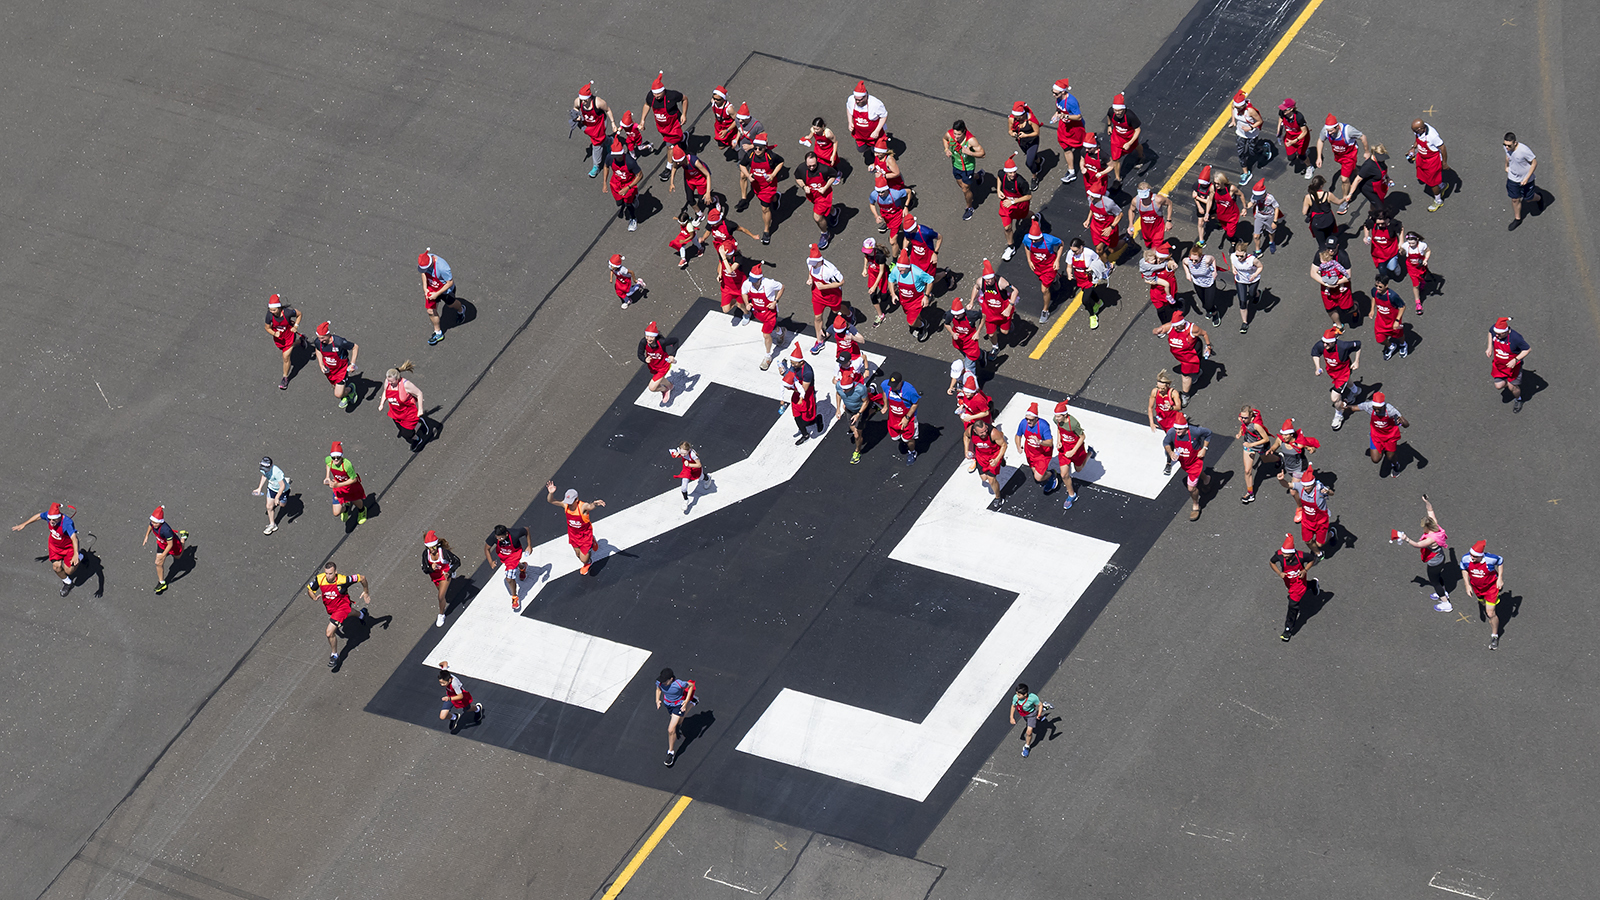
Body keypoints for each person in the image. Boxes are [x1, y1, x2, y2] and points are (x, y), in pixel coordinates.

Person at [307, 561, 371, 668]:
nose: (328, 576)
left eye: (330, 573)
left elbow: (362, 578)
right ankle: (361, 615)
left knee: (329, 632)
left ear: (335, 572)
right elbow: (310, 589)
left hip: (342, 607)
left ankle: (335, 655)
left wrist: (366, 591)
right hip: (332, 607)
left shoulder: (343, 580)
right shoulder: (320, 579)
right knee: (348, 613)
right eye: (326, 573)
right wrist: (313, 597)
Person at [1396, 495, 1451, 610]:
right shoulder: (1436, 526)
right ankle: (1443, 592)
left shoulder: (1430, 539)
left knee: (1434, 581)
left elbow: (1417, 545)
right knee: (1438, 576)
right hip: (1440, 558)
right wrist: (1426, 502)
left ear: (1427, 527)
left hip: (1434, 563)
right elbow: (1430, 510)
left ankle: (1446, 603)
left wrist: (1406, 539)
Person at [13, 503, 82, 596]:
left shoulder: (67, 523)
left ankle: (81, 556)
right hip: (55, 546)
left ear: (59, 517)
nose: (51, 521)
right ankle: (68, 583)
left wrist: (76, 554)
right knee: (56, 567)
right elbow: (38, 516)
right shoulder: (50, 516)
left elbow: (74, 538)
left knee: (68, 571)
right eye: (49, 519)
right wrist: (24, 524)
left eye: (54, 520)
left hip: (68, 548)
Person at [1153, 311, 1212, 403]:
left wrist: (1208, 346)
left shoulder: (1192, 329)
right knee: (1189, 371)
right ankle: (1197, 372)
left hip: (1190, 355)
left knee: (1185, 376)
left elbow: (1204, 333)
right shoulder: (1170, 326)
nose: (1175, 328)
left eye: (1177, 326)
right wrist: (1157, 331)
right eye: (1174, 326)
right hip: (1180, 355)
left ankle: (1185, 395)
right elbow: (1158, 330)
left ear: (1183, 323)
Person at [547, 482, 605, 575]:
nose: (569, 504)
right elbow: (551, 501)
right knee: (577, 554)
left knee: (584, 559)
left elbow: (590, 506)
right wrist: (551, 493)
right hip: (573, 535)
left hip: (585, 535)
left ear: (577, 499)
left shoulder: (582, 507)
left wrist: (595, 503)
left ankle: (588, 560)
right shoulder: (565, 505)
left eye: (571, 502)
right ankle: (590, 548)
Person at [1349, 389, 1410, 477]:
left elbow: (1406, 425)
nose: (1377, 411)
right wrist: (1345, 407)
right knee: (1375, 459)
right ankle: (1384, 450)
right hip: (1376, 436)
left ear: (1383, 406)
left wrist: (1402, 422)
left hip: (1390, 437)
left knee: (1390, 457)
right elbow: (1354, 408)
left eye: (1379, 409)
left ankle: (1395, 464)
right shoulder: (1369, 406)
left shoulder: (1390, 410)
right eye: (1375, 409)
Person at [1269, 533, 1318, 641]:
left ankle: (1288, 629)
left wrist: (1305, 570)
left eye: (1286, 554)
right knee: (1301, 590)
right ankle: (1313, 584)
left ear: (1292, 553)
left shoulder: (1301, 556)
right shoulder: (1279, 555)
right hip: (1289, 582)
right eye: (1283, 554)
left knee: (1293, 606)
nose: (1284, 556)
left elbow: (1312, 559)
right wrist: (1279, 573)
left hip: (1299, 583)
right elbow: (1272, 562)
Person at [1162, 414, 1212, 521]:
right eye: (1176, 429)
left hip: (1196, 461)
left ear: (1186, 427)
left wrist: (1204, 448)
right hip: (1184, 461)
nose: (1177, 431)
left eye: (1180, 429)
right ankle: (1206, 479)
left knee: (1191, 487)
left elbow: (1208, 433)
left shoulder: (1195, 431)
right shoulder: (1172, 432)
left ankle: (1196, 505)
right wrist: (1171, 453)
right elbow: (1166, 443)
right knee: (1190, 473)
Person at [1311, 326, 1362, 429]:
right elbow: (1315, 353)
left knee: (1334, 398)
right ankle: (1356, 390)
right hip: (1333, 372)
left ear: (1333, 342)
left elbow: (1358, 345)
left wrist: (1357, 361)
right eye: (1324, 342)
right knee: (1347, 383)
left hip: (1343, 372)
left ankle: (1339, 415)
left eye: (1327, 343)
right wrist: (1318, 367)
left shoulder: (1343, 346)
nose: (1324, 345)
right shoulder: (1322, 345)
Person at [1461, 540, 1507, 650]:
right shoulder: (1466, 559)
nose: (1471, 558)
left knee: (1490, 613)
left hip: (1491, 588)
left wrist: (1500, 578)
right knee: (1482, 602)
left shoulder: (1490, 559)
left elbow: (1500, 561)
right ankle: (1483, 603)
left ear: (1481, 556)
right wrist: (1467, 585)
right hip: (1477, 588)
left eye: (1475, 557)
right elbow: (1464, 569)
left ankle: (1494, 635)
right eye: (1471, 555)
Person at [378, 361, 433, 451]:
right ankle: (418, 429)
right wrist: (381, 403)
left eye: (392, 382)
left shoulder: (406, 385)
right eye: (388, 381)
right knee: (401, 429)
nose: (390, 383)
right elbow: (385, 391)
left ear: (398, 379)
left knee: (407, 434)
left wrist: (420, 409)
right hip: (395, 412)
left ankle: (419, 438)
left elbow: (419, 393)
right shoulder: (388, 382)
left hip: (408, 412)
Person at [742, 133, 785, 244]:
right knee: (769, 201)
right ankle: (776, 197)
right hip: (757, 185)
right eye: (755, 147)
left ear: (765, 147)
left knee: (764, 208)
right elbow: (742, 165)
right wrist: (748, 176)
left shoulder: (771, 156)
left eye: (759, 148)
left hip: (768, 187)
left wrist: (773, 175)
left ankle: (766, 230)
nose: (757, 150)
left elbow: (781, 162)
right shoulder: (750, 155)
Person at [742, 264, 787, 370]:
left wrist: (775, 301)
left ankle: (768, 356)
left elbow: (782, 287)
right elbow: (744, 292)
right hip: (758, 312)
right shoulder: (747, 283)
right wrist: (747, 303)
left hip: (770, 313)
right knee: (772, 328)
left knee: (766, 334)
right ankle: (781, 332)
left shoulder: (769, 283)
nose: (753, 283)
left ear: (761, 278)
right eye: (751, 280)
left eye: (755, 280)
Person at [417, 250, 467, 345]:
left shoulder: (442, 267)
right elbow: (423, 273)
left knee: (451, 305)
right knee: (430, 310)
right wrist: (425, 288)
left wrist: (437, 294)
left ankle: (461, 309)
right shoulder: (424, 261)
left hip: (445, 290)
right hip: (431, 288)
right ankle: (438, 333)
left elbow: (450, 283)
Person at [803, 245, 846, 353]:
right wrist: (810, 279)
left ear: (819, 261)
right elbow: (810, 271)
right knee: (817, 317)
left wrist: (824, 287)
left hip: (832, 294)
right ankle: (819, 340)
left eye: (814, 263)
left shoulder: (830, 270)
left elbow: (841, 282)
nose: (811, 264)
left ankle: (849, 313)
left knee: (836, 310)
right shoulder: (810, 262)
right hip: (817, 294)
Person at [970, 260, 1017, 360]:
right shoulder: (980, 281)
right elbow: (976, 287)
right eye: (987, 280)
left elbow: (1015, 291)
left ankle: (1009, 323)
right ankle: (995, 347)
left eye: (991, 279)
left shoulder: (1001, 282)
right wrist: (971, 302)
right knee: (991, 334)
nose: (990, 282)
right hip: (989, 312)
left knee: (1004, 332)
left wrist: (1009, 307)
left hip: (1003, 311)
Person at [1315, 114, 1369, 200]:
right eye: (1328, 131)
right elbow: (1320, 140)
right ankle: (1356, 171)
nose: (1329, 133)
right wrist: (1319, 157)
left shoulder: (1348, 131)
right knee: (1350, 167)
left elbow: (1363, 137)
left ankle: (1345, 198)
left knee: (1344, 179)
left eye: (1331, 131)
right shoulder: (1326, 130)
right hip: (1339, 154)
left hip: (1350, 155)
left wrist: (1366, 152)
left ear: (1337, 127)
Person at [1021, 219, 1065, 323]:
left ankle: (1045, 310)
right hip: (1037, 266)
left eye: (1036, 240)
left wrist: (1057, 260)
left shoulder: (1050, 239)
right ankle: (1055, 280)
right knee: (1045, 282)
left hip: (1049, 267)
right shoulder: (1027, 239)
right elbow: (1026, 246)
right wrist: (1029, 260)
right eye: (1032, 240)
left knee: (1044, 289)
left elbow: (1061, 244)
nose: (1033, 242)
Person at [1051, 399, 1092, 510]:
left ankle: (1089, 454)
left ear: (1065, 415)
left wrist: (1073, 451)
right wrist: (1058, 441)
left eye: (1059, 416)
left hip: (1076, 450)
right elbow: (1059, 429)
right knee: (1064, 475)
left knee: (1078, 469)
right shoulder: (1057, 420)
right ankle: (1071, 495)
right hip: (1064, 450)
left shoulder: (1073, 424)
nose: (1056, 418)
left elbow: (1082, 437)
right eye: (1055, 416)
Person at [795, 151, 840, 249]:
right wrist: (803, 186)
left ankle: (825, 234)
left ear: (817, 162)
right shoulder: (801, 168)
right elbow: (797, 178)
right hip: (812, 195)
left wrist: (825, 187)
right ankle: (834, 212)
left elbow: (833, 175)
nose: (811, 168)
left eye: (813, 165)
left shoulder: (824, 168)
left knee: (817, 217)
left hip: (823, 195)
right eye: (809, 166)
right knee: (825, 209)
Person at [641, 71, 686, 169]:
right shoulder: (651, 97)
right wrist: (643, 120)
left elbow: (685, 99)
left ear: (663, 90)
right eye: (654, 94)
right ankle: (684, 137)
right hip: (662, 126)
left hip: (674, 123)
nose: (656, 96)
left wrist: (684, 114)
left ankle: (669, 166)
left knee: (670, 145)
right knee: (675, 139)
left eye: (658, 94)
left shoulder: (672, 95)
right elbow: (647, 105)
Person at [888, 250, 936, 341]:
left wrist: (926, 296)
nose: (900, 272)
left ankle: (922, 325)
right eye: (899, 269)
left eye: (902, 270)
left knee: (911, 322)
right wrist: (893, 294)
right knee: (914, 316)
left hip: (916, 299)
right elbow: (890, 279)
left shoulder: (917, 272)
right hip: (904, 300)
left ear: (908, 267)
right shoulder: (896, 270)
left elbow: (930, 280)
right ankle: (921, 321)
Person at [572, 82, 617, 179]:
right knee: (599, 140)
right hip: (588, 125)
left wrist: (613, 123)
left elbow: (608, 110)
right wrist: (576, 117)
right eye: (581, 100)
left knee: (596, 144)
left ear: (589, 97)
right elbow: (575, 109)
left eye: (585, 100)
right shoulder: (578, 101)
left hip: (599, 124)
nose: (583, 102)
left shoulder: (599, 102)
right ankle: (610, 141)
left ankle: (596, 166)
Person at [654, 667, 698, 767]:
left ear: (671, 679)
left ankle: (671, 752)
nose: (663, 683)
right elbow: (658, 689)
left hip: (678, 705)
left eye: (665, 681)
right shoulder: (660, 682)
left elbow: (690, 686)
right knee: (679, 723)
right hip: (668, 705)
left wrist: (685, 701)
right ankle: (692, 703)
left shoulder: (679, 684)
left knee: (670, 729)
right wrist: (657, 700)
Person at [312, 321, 360, 410]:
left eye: (322, 338)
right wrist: (321, 364)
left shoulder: (339, 342)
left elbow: (355, 347)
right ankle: (345, 394)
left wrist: (352, 364)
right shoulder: (318, 342)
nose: (321, 341)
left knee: (338, 394)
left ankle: (351, 389)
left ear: (328, 334)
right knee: (335, 387)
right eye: (319, 338)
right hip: (329, 370)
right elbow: (318, 349)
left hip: (341, 370)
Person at [943, 120, 986, 220]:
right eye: (955, 134)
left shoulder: (971, 140)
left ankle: (969, 207)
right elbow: (945, 139)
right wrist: (946, 149)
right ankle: (978, 176)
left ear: (964, 132)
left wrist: (970, 153)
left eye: (958, 134)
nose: (956, 137)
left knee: (965, 188)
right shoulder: (950, 134)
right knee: (960, 184)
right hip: (956, 165)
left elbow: (982, 154)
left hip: (967, 168)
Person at [1013, 403, 1059, 494]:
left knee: (1038, 477)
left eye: (1031, 420)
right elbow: (1018, 435)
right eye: (1027, 419)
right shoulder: (1023, 423)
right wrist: (1018, 446)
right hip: (1030, 451)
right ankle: (1046, 473)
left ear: (1036, 419)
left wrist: (1040, 442)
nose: (1028, 422)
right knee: (1035, 471)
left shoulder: (1043, 425)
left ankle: (1051, 475)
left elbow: (1050, 442)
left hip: (1043, 453)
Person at [779, 345, 822, 444]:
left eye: (794, 364)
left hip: (806, 395)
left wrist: (790, 387)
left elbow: (804, 389)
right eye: (791, 363)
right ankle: (805, 434)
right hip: (796, 393)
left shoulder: (807, 372)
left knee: (806, 419)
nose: (792, 366)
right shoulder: (795, 365)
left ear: (801, 362)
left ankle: (816, 419)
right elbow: (790, 374)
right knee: (797, 416)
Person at [1487, 316, 1531, 412]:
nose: (1497, 336)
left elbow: (1527, 349)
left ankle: (1518, 399)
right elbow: (1490, 332)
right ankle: (1510, 382)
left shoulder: (1516, 338)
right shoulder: (1495, 330)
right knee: (1498, 385)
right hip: (1499, 366)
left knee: (1512, 387)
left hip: (1513, 368)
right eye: (1496, 334)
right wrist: (1489, 347)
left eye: (1499, 335)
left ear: (1506, 332)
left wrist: (1515, 360)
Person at [485, 523, 531, 611]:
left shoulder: (515, 533)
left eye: (501, 538)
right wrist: (490, 562)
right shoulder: (494, 537)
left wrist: (529, 545)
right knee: (513, 566)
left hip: (514, 553)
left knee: (509, 579)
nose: (499, 540)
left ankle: (514, 597)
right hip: (504, 555)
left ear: (506, 534)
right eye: (498, 538)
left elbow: (526, 529)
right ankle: (522, 566)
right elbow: (486, 548)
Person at [1104, 93, 1147, 188]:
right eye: (1116, 110)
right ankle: (1118, 179)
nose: (1117, 112)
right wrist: (1109, 126)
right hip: (1117, 138)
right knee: (1115, 158)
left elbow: (1138, 130)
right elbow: (1108, 116)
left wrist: (1129, 143)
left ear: (1123, 109)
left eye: (1119, 110)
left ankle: (1141, 157)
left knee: (1136, 146)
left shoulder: (1130, 116)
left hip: (1129, 137)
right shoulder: (1111, 111)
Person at [141, 506, 188, 594]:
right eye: (152, 522)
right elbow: (150, 526)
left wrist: (163, 555)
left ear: (160, 522)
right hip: (162, 544)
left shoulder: (166, 530)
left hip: (173, 545)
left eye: (155, 523)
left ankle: (183, 538)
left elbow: (170, 544)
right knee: (158, 563)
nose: (153, 524)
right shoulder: (153, 523)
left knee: (178, 557)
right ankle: (162, 583)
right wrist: (146, 536)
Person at [832, 365, 874, 465]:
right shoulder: (839, 386)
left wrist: (859, 414)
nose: (844, 391)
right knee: (852, 428)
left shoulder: (861, 389)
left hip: (860, 411)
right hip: (849, 410)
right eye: (843, 388)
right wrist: (838, 408)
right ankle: (873, 411)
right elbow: (838, 394)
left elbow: (866, 402)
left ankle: (857, 452)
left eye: (846, 389)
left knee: (857, 434)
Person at [1064, 238, 1108, 330]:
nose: (1073, 253)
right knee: (1090, 293)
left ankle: (1092, 316)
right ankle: (1099, 302)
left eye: (1075, 251)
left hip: (1089, 278)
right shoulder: (1070, 253)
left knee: (1085, 300)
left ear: (1081, 247)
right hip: (1079, 278)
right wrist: (1069, 274)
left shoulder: (1089, 253)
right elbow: (1069, 266)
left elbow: (1098, 261)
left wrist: (1092, 268)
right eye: (1072, 251)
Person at [1340, 142, 1392, 218]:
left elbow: (1383, 169)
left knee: (1375, 203)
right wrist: (1350, 194)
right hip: (1369, 189)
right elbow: (1357, 179)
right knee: (1380, 209)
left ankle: (1372, 214)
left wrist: (1387, 178)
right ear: (1374, 155)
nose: (1382, 160)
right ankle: (1375, 220)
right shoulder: (1368, 166)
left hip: (1378, 186)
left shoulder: (1380, 161)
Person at [1049, 78, 1087, 183]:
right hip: (1064, 127)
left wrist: (1065, 115)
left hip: (1075, 129)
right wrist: (1057, 114)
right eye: (1052, 92)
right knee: (1066, 147)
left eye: (1055, 93)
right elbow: (1058, 108)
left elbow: (1078, 117)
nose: (1053, 95)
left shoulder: (1071, 102)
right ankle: (1071, 172)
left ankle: (1089, 159)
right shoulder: (1059, 98)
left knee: (1081, 146)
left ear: (1063, 92)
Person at [1292, 467, 1335, 558]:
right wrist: (1281, 480)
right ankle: (1319, 554)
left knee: (1319, 544)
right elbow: (1289, 485)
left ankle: (1331, 533)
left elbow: (1332, 493)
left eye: (1308, 486)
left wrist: (1327, 491)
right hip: (1307, 520)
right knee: (1307, 541)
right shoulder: (1301, 488)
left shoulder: (1319, 488)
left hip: (1320, 520)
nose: (1305, 488)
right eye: (1304, 486)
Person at [967, 417, 1008, 509]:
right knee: (984, 478)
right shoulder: (970, 431)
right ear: (975, 431)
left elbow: (1004, 445)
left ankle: (998, 497)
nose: (985, 433)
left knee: (991, 480)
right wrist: (966, 450)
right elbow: (965, 436)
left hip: (993, 456)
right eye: (981, 432)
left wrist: (997, 459)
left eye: (985, 430)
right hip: (981, 456)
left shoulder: (993, 433)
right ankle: (1001, 459)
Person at [602, 137, 642, 232]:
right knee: (619, 203)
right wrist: (604, 182)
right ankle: (631, 199)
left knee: (628, 203)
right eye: (615, 156)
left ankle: (633, 218)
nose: (618, 158)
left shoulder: (630, 162)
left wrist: (628, 187)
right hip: (616, 182)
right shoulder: (609, 158)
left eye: (619, 155)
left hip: (628, 183)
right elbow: (606, 167)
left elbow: (640, 175)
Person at [1236, 404, 1274, 503]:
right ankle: (1250, 494)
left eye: (1245, 418)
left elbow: (1266, 439)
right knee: (1247, 471)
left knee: (1266, 460)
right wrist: (1240, 433)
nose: (1243, 419)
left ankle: (1280, 459)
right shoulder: (1243, 419)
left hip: (1259, 446)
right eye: (1242, 417)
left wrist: (1251, 444)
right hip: (1249, 446)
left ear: (1251, 415)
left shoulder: (1256, 425)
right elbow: (1243, 425)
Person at [1407, 120, 1448, 212]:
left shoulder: (1432, 136)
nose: (1415, 133)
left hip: (1432, 160)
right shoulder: (1419, 130)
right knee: (1423, 174)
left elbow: (1443, 148)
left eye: (1416, 131)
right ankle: (1441, 185)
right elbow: (1417, 139)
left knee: (1432, 182)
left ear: (1421, 128)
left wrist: (1444, 163)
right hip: (1422, 158)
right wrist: (1413, 148)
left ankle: (1438, 201)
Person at [420, 531, 459, 627]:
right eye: (429, 548)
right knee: (441, 593)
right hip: (434, 577)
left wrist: (449, 572)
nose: (432, 550)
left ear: (436, 545)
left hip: (444, 574)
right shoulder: (426, 554)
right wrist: (431, 568)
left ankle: (441, 614)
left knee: (441, 597)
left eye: (433, 547)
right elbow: (425, 569)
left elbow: (457, 561)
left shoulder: (444, 552)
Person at [996, 156, 1032, 259]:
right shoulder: (1002, 174)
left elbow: (1029, 196)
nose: (1013, 174)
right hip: (1006, 205)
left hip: (1019, 204)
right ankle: (1011, 247)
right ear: (1006, 172)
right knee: (1007, 228)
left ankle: (1036, 217)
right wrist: (999, 190)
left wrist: (1013, 201)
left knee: (1026, 215)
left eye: (1014, 172)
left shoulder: (1021, 182)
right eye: (1010, 173)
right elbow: (998, 176)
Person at [323, 441, 368, 524]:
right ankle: (346, 508)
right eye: (333, 457)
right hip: (338, 487)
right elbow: (327, 464)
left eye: (338, 457)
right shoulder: (329, 460)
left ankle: (362, 510)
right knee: (336, 512)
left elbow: (353, 479)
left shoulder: (347, 465)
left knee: (356, 501)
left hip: (350, 487)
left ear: (342, 457)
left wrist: (338, 484)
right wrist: (327, 477)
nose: (335, 459)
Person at [880, 372, 920, 464]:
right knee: (895, 436)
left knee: (909, 438)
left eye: (895, 385)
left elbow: (915, 403)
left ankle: (912, 452)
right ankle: (903, 440)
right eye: (891, 385)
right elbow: (884, 391)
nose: (893, 388)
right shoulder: (886, 385)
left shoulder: (909, 390)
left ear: (900, 382)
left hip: (908, 418)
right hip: (894, 417)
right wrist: (885, 405)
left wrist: (907, 417)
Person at [845, 81, 888, 166]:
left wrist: (877, 131)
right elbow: (849, 109)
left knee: (876, 150)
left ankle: (879, 160)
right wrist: (850, 122)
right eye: (856, 99)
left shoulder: (876, 104)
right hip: (860, 134)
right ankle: (869, 148)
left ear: (866, 96)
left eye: (860, 99)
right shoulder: (851, 100)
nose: (857, 101)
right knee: (860, 149)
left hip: (874, 135)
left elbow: (884, 116)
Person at [264, 293, 301, 390]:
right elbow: (267, 327)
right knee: (286, 351)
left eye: (274, 310)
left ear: (279, 307)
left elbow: (299, 314)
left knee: (285, 357)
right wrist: (274, 333)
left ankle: (285, 378)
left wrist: (295, 326)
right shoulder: (269, 315)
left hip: (289, 337)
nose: (272, 312)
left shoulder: (288, 313)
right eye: (271, 310)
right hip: (279, 339)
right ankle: (301, 342)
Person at [1272, 418, 1320, 494]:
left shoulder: (1299, 443)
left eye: (1286, 435)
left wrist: (1311, 449)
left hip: (1299, 468)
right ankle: (1309, 485)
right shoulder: (1280, 440)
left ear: (1291, 434)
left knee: (1293, 491)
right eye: (1283, 435)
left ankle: (1300, 504)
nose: (1284, 437)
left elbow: (1310, 447)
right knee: (1300, 484)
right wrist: (1270, 451)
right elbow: (1274, 447)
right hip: (1288, 467)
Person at [636, 321, 678, 406]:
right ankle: (670, 386)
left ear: (655, 336)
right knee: (661, 379)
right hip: (653, 366)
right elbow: (639, 354)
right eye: (647, 336)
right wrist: (645, 359)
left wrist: (672, 355)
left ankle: (664, 390)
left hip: (663, 366)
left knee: (652, 387)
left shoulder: (662, 342)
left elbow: (676, 341)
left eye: (651, 337)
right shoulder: (643, 342)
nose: (648, 339)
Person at [1503, 132, 1539, 230]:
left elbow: (1534, 163)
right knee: (1515, 199)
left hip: (1526, 180)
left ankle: (1539, 198)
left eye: (1509, 145)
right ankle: (1517, 219)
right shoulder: (1507, 148)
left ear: (1515, 143)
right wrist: (1506, 166)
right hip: (1513, 178)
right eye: (1505, 145)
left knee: (1528, 198)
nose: (1506, 147)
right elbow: (1507, 156)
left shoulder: (1524, 150)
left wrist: (1526, 178)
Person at [1084, 190, 1124, 277]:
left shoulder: (1109, 203)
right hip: (1096, 228)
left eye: (1092, 196)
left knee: (1112, 249)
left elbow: (1120, 214)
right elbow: (1092, 208)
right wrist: (1088, 219)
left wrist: (1111, 227)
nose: (1090, 197)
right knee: (1098, 250)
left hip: (1107, 229)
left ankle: (1126, 240)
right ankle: (1108, 265)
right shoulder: (1091, 199)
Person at [1183, 243, 1225, 327]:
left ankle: (1215, 313)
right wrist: (1187, 273)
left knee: (1208, 304)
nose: (1193, 262)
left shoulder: (1206, 260)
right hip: (1198, 284)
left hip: (1209, 284)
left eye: (1196, 260)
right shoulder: (1187, 260)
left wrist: (1214, 271)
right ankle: (1210, 310)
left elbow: (1213, 259)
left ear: (1201, 257)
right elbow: (1183, 262)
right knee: (1204, 303)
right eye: (1192, 260)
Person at [1310, 247, 1355, 326]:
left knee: (1347, 309)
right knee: (1330, 309)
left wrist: (1336, 283)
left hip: (1341, 285)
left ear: (1337, 246)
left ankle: (1355, 308)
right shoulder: (1320, 254)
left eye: (1333, 248)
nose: (1331, 251)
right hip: (1327, 286)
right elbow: (1313, 272)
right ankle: (1339, 325)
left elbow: (1348, 275)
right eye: (1329, 248)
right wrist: (1326, 284)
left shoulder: (1342, 256)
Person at [1231, 91, 1268, 182]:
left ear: (1243, 106)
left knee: (1252, 151)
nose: (1237, 110)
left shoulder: (1250, 111)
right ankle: (1245, 172)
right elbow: (1232, 108)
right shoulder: (1234, 106)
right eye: (1237, 108)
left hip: (1252, 134)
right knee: (1241, 153)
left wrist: (1250, 127)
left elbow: (1260, 121)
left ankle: (1263, 148)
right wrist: (1233, 120)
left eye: (1239, 108)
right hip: (1240, 133)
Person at [666, 145, 713, 217]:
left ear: (684, 157)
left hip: (701, 179)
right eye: (676, 161)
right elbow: (674, 168)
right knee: (690, 199)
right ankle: (700, 214)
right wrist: (671, 183)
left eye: (679, 161)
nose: (678, 163)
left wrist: (708, 192)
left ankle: (715, 200)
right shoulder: (678, 161)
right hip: (689, 179)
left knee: (703, 200)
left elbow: (707, 175)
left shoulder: (695, 161)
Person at [1360, 209, 1405, 283]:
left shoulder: (1393, 224)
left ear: (1387, 220)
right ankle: (1384, 280)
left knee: (1391, 267)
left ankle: (1396, 266)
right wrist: (1366, 236)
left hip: (1391, 251)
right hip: (1378, 252)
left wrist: (1401, 242)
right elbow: (1366, 226)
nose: (1380, 226)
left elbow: (1401, 229)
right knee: (1381, 268)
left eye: (1383, 223)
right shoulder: (1372, 222)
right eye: (1378, 224)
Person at [1007, 101, 1045, 188]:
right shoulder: (1012, 118)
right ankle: (1039, 161)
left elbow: (1037, 133)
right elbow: (1010, 130)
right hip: (1022, 143)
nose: (1017, 119)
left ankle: (1034, 177)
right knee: (1032, 156)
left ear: (1023, 114)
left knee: (1029, 162)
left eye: (1018, 117)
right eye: (1015, 117)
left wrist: (1026, 135)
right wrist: (1012, 134)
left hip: (1032, 142)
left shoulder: (1031, 119)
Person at [1010, 683, 1054, 758]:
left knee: (1029, 732)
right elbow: (1013, 706)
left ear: (1025, 694)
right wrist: (1011, 717)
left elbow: (1039, 705)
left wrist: (1039, 715)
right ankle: (1045, 707)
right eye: (1017, 694)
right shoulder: (1015, 698)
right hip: (1024, 714)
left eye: (1019, 695)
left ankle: (1027, 746)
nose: (1017, 696)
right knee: (1030, 719)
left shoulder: (1033, 697)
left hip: (1031, 715)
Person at [1228, 241, 1263, 334]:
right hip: (1240, 280)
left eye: (1241, 256)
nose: (1239, 258)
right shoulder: (1233, 256)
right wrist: (1233, 268)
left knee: (1252, 294)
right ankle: (1245, 322)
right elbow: (1232, 260)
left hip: (1253, 280)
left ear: (1245, 253)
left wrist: (1254, 275)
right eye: (1237, 255)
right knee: (1242, 301)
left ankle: (1257, 294)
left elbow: (1260, 267)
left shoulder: (1252, 259)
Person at [1128, 182, 1172, 255]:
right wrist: (1130, 225)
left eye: (1146, 196)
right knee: (1149, 245)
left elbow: (1169, 203)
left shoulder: (1158, 199)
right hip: (1146, 229)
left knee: (1155, 251)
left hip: (1158, 229)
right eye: (1142, 197)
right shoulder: (1136, 201)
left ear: (1150, 191)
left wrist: (1168, 221)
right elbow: (1131, 210)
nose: (1144, 199)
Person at [1139, 247, 1182, 322]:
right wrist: (1147, 280)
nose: (1158, 261)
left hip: (1170, 289)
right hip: (1157, 293)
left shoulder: (1167, 263)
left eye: (1161, 259)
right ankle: (1165, 324)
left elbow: (1172, 264)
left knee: (1173, 305)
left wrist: (1173, 264)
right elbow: (1144, 273)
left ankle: (1177, 312)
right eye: (1157, 258)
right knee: (1161, 310)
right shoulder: (1151, 264)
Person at [1370, 279, 1409, 360]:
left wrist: (1397, 320)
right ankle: (1391, 346)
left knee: (1399, 335)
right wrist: (1372, 310)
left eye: (1380, 287)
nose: (1378, 288)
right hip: (1380, 322)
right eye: (1376, 286)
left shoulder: (1393, 296)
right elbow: (1373, 298)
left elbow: (1402, 306)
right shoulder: (1374, 291)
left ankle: (1403, 344)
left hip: (1393, 322)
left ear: (1386, 285)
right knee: (1380, 339)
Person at [438, 665, 484, 732]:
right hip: (450, 696)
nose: (442, 685)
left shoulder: (454, 684)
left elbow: (460, 696)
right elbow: (445, 664)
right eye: (440, 682)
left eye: (443, 683)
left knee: (468, 710)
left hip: (460, 698)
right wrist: (442, 664)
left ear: (450, 680)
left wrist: (449, 699)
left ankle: (478, 709)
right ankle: (454, 717)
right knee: (442, 716)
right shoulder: (445, 674)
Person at [252, 456, 290, 535]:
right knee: (269, 507)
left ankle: (286, 481)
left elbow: (282, 486)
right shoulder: (264, 468)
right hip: (271, 488)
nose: (265, 471)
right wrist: (259, 488)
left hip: (282, 490)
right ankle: (272, 525)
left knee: (282, 505)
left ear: (271, 465)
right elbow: (264, 476)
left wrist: (277, 497)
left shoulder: (277, 472)